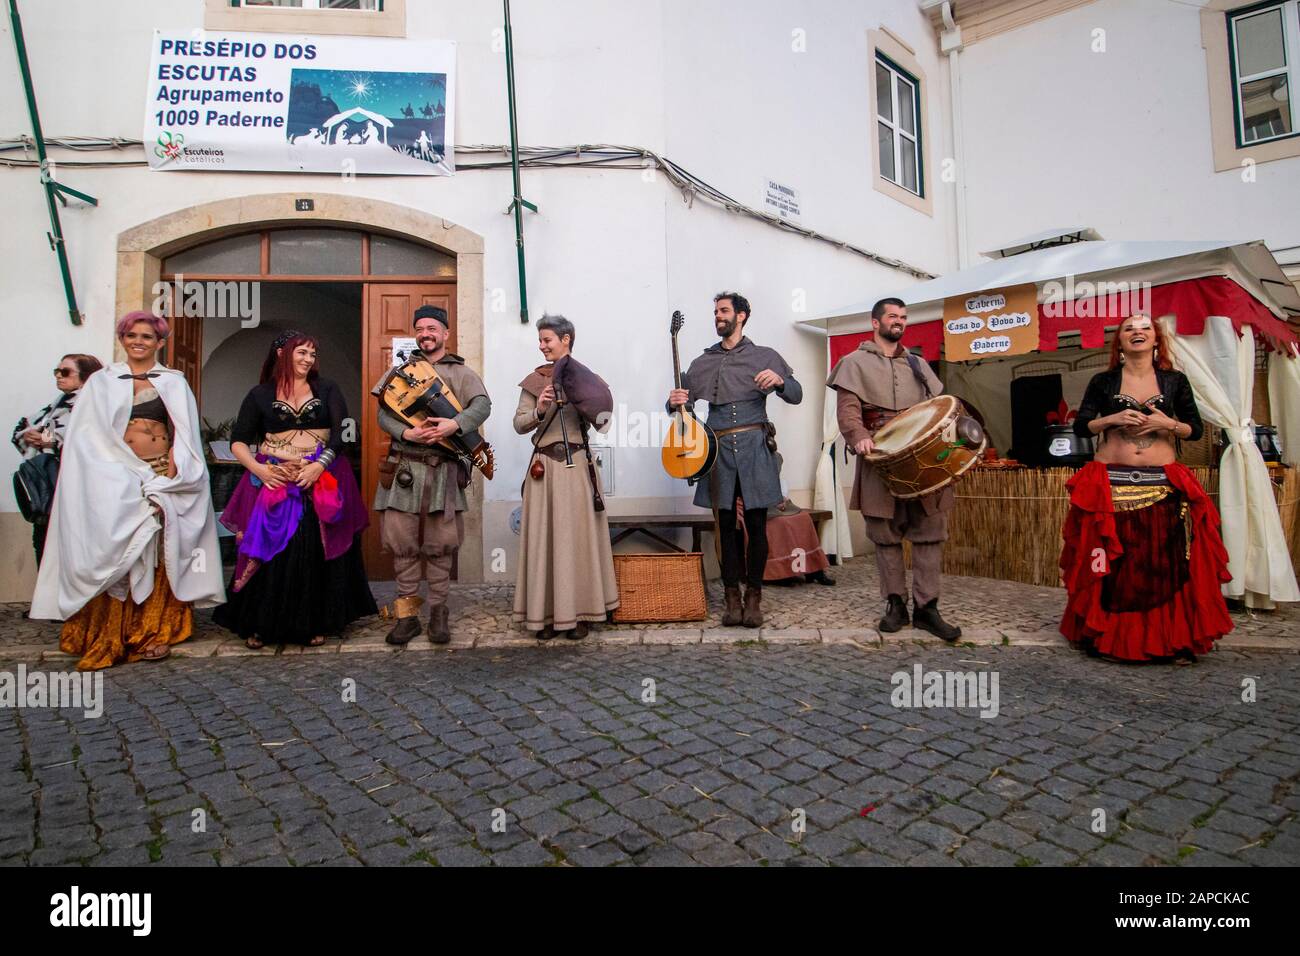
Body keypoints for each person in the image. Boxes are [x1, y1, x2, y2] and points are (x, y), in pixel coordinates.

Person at [30, 311, 225, 669]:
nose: (139, 341)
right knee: (120, 550)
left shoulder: (174, 382)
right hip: (115, 478)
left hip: (162, 474)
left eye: (147, 337)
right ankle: (111, 632)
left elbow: (184, 434)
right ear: (122, 339)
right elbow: (86, 438)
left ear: (160, 343)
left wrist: (177, 469)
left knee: (158, 553)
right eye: (132, 335)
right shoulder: (102, 382)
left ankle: (155, 630)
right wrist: (113, 473)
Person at [1061, 313, 1233, 662]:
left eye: (1144, 328)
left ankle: (1167, 639)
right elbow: (1082, 427)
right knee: (1114, 563)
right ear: (1119, 341)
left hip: (1160, 484)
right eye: (1129, 329)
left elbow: (1195, 429)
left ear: (1156, 339)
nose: (1137, 333)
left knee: (1160, 562)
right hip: (1111, 483)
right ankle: (1105, 635)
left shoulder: (1175, 381)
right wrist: (1112, 418)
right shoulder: (1103, 381)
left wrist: (1167, 423)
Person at [213, 332, 376, 648]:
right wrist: (260, 469)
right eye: (301, 352)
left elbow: (343, 433)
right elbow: (238, 440)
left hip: (322, 474)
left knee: (315, 546)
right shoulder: (259, 394)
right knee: (272, 547)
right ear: (281, 354)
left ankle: (316, 620)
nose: (308, 359)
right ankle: (262, 623)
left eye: (312, 354)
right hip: (275, 476)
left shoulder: (327, 388)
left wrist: (318, 466)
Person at [827, 297, 961, 641]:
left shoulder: (917, 364)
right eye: (892, 316)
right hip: (880, 456)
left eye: (903, 317)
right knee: (885, 534)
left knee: (930, 530)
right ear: (875, 323)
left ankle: (928, 609)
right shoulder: (853, 363)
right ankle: (896, 604)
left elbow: (937, 408)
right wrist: (858, 437)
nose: (899, 321)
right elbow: (848, 410)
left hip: (922, 457)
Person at [667, 292, 802, 627]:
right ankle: (731, 598)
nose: (718, 316)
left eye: (724, 311)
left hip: (756, 447)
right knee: (724, 528)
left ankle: (753, 597)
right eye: (715, 312)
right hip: (717, 451)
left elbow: (797, 394)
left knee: (756, 526)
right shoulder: (701, 363)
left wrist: (782, 381)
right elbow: (676, 406)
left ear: (741, 316)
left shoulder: (765, 356)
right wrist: (672, 401)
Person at [373, 305, 491, 644]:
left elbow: (482, 406)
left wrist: (456, 424)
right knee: (403, 546)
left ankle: (439, 614)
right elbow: (383, 414)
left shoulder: (461, 373)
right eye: (421, 328)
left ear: (445, 334)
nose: (426, 334)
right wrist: (405, 433)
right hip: (406, 468)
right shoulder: (402, 370)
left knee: (440, 548)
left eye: (433, 328)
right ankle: (407, 618)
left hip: (443, 471)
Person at [513, 314, 619, 639]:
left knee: (578, 543)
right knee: (545, 542)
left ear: (566, 339)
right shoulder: (534, 381)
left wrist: (586, 400)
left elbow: (604, 422)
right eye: (540, 340)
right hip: (543, 470)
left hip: (576, 468)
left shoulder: (587, 379)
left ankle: (582, 613)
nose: (542, 345)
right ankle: (544, 616)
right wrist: (540, 409)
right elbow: (518, 425)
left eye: (547, 339)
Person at [11, 353, 102, 565]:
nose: (59, 376)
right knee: (42, 540)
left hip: (75, 486)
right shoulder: (57, 404)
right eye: (57, 372)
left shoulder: (92, 404)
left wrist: (48, 441)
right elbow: (25, 426)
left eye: (66, 372)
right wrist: (30, 435)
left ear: (86, 377)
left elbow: (90, 440)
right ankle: (45, 596)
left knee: (69, 545)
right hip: (48, 486)